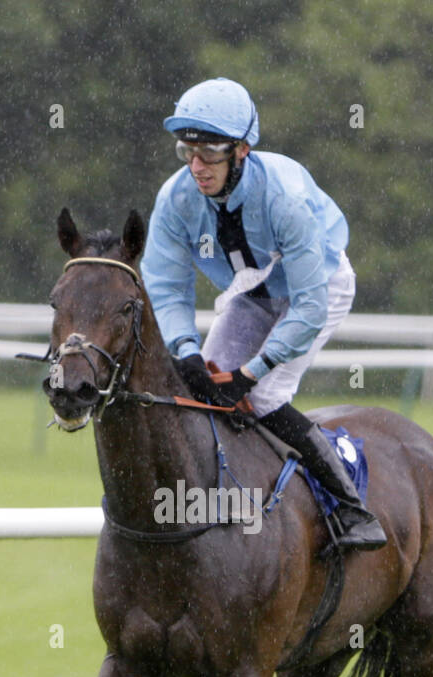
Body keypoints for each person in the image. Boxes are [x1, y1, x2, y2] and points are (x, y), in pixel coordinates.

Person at [140, 78, 387, 550]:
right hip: (253, 293)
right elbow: (166, 284)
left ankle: (354, 510)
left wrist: (252, 372)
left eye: (209, 152)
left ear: (242, 150)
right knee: (207, 395)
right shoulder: (175, 199)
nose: (197, 166)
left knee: (265, 397)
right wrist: (185, 349)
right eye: (187, 151)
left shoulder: (284, 197)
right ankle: (216, 503)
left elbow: (310, 306)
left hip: (319, 286)